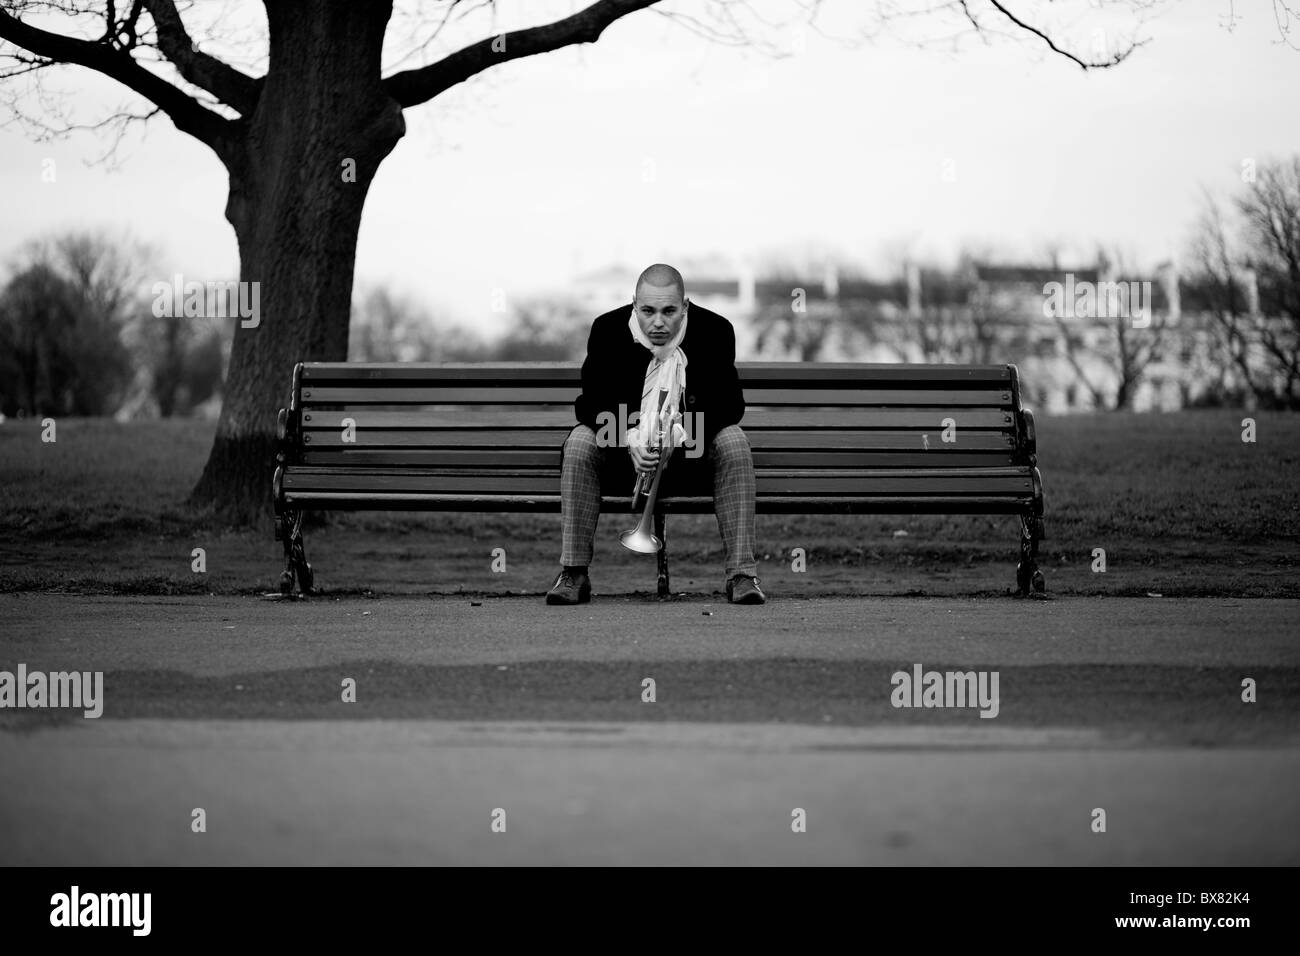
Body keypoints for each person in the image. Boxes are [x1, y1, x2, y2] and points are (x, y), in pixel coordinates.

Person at [546, 263, 765, 606]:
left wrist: (680, 433)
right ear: (634, 304)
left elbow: (730, 405)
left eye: (669, 311)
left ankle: (742, 575)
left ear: (686, 306)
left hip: (690, 461)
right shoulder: (606, 330)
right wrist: (628, 437)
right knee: (579, 442)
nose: (658, 322)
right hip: (624, 461)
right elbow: (589, 404)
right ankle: (573, 572)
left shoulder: (716, 331)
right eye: (647, 311)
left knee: (734, 441)